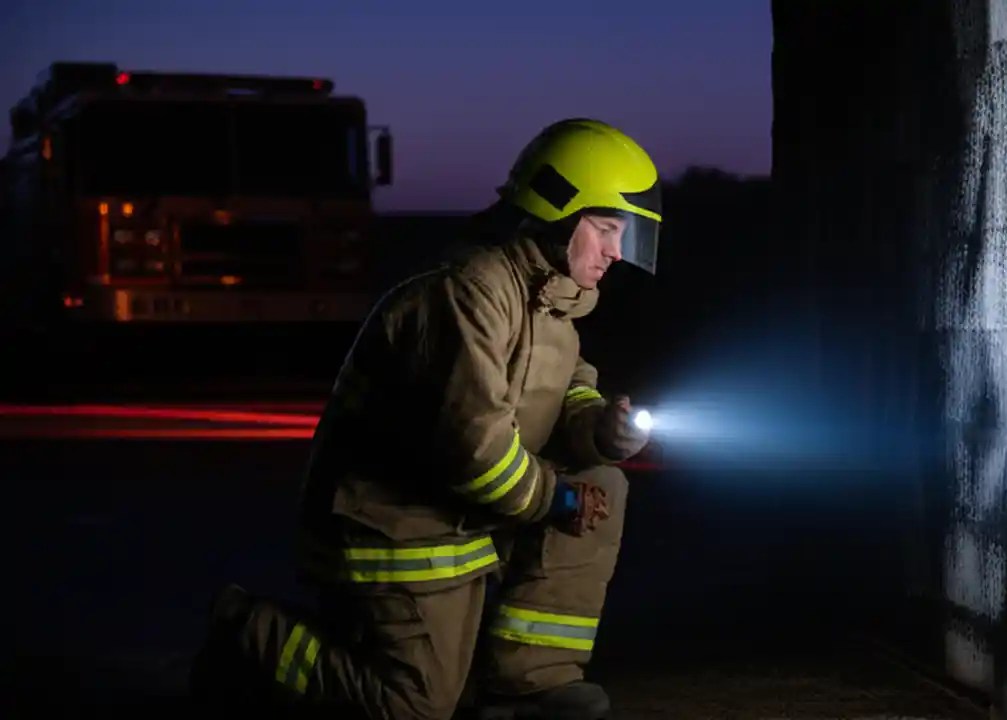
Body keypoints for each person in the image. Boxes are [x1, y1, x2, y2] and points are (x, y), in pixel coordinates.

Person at [190, 117, 662, 720]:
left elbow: (567, 385)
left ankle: (528, 683)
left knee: (606, 480)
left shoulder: (550, 302)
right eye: (605, 229)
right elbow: (476, 449)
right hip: (391, 533)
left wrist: (599, 428)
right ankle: (247, 635)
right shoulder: (470, 294)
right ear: (557, 210)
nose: (617, 251)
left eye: (623, 233)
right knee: (415, 708)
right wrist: (558, 500)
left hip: (457, 522)